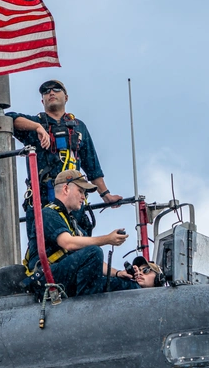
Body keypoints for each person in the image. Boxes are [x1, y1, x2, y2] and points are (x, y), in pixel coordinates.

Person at [9, 79, 122, 244]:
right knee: (42, 247)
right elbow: (8, 119)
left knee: (79, 245)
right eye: (46, 91)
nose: (51, 92)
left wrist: (105, 195)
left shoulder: (78, 127)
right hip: (42, 201)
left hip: (73, 202)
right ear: (42, 101)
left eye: (56, 89)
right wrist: (38, 128)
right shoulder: (33, 126)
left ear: (66, 97)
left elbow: (92, 166)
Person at [23, 170, 137, 296]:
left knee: (124, 284)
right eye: (80, 191)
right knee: (94, 252)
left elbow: (89, 259)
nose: (83, 197)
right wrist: (107, 239)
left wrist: (117, 273)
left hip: (64, 276)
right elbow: (68, 243)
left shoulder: (72, 223)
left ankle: (92, 299)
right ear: (66, 189)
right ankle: (87, 304)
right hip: (46, 279)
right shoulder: (48, 214)